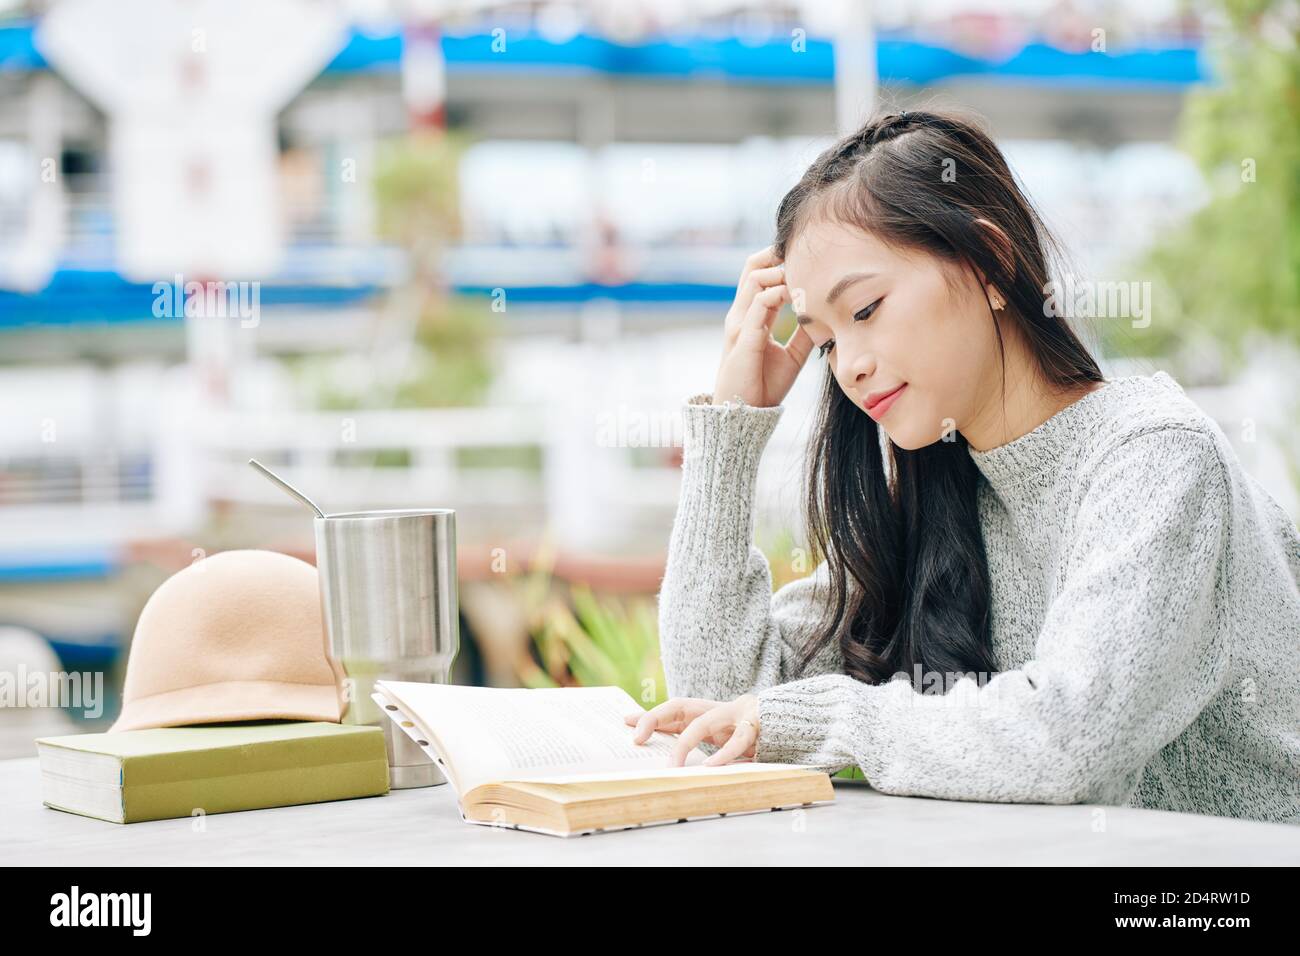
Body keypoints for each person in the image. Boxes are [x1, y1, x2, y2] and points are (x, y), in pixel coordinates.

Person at [626, 109, 1300, 825]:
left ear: (989, 265)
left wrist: (837, 721)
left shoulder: (1155, 458)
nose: (849, 366)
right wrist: (732, 432)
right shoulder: (934, 498)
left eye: (866, 309)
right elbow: (726, 705)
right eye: (823, 342)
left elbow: (1070, 735)